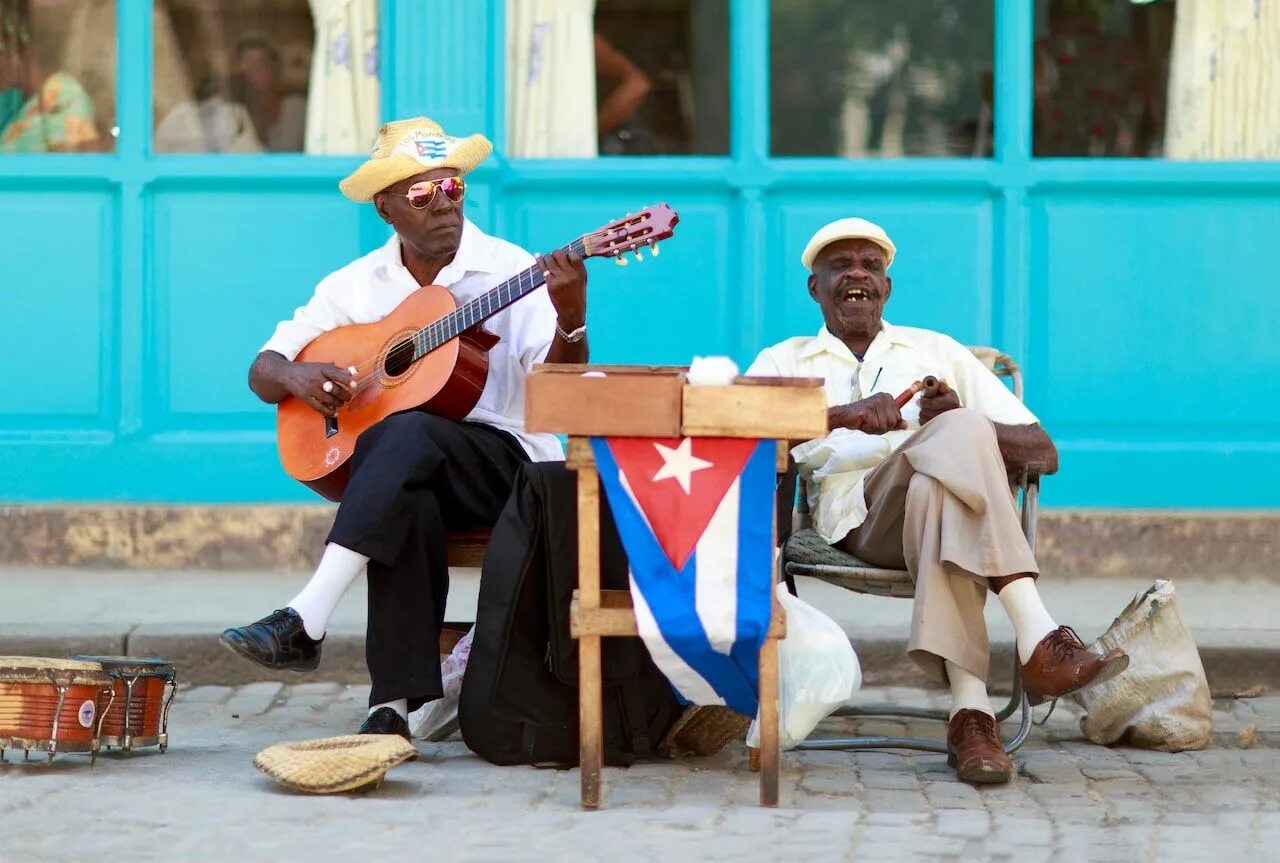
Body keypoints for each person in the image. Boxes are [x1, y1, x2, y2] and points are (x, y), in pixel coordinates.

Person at [220, 116, 589, 739]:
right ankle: (392, 707)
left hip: (506, 467)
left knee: (400, 437)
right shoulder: (355, 286)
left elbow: (563, 398)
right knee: (403, 488)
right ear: (386, 207)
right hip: (408, 470)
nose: (444, 204)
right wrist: (301, 378)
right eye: (422, 195)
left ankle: (307, 615)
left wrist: (571, 320)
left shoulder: (511, 270)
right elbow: (263, 370)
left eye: (454, 189)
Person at [746, 217, 1128, 784]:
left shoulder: (936, 350)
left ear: (887, 288)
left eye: (871, 266)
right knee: (960, 438)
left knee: (947, 472)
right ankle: (1038, 635)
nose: (857, 273)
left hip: (935, 516)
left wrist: (954, 425)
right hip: (854, 522)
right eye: (840, 265)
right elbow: (738, 435)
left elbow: (1043, 451)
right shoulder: (785, 359)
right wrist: (840, 417)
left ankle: (971, 718)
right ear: (815, 287)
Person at [0, 0, 99, 153]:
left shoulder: (60, 91)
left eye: (2, 52)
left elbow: (73, 162)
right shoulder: (22, 104)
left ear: (18, 54)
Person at [229, 33, 307, 152]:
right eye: (248, 66)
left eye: (261, 64)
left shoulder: (298, 110)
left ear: (276, 69)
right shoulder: (232, 117)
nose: (254, 73)